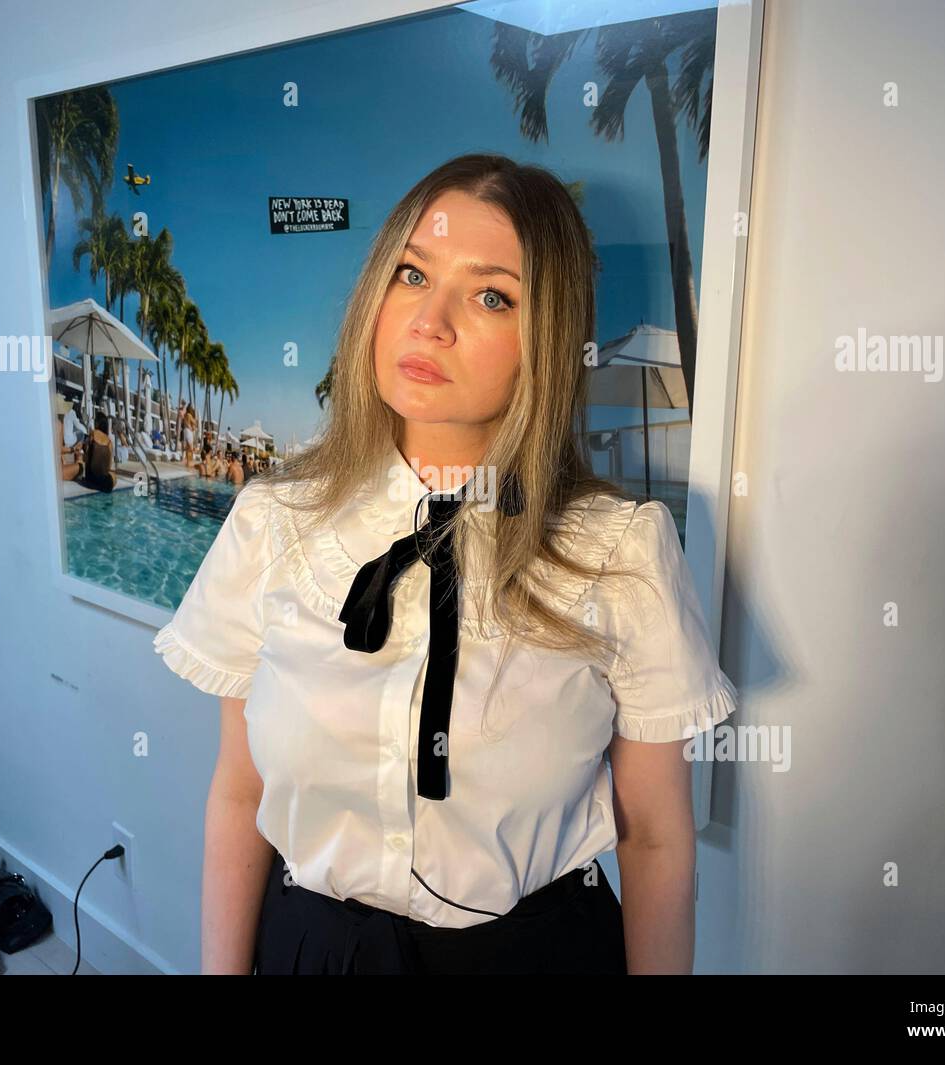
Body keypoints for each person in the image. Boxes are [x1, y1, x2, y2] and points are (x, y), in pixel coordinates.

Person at [153, 153, 738, 975]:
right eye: (412, 274)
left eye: (491, 294)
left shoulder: (622, 549)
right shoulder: (272, 521)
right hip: (311, 952)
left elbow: (656, 835)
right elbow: (240, 791)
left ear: (546, 339)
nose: (431, 321)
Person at [79, 410, 117, 493]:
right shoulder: (109, 442)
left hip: (90, 479)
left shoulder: (93, 434)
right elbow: (109, 466)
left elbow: (86, 458)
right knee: (114, 477)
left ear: (97, 423)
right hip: (105, 484)